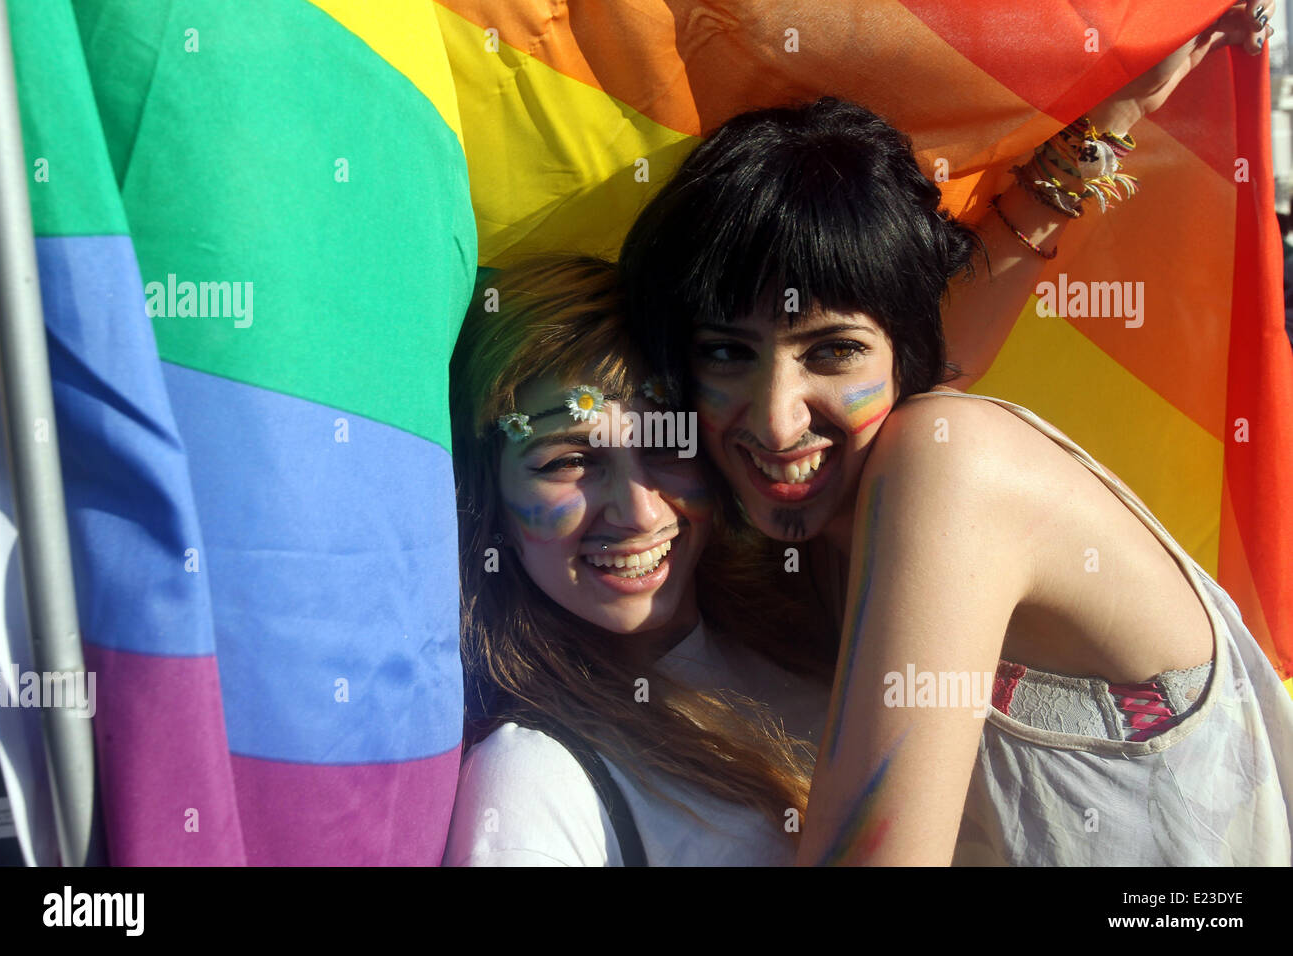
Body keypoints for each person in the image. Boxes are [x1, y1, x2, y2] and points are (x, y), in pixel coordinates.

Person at [617, 8, 1293, 865]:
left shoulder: (945, 462)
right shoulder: (873, 464)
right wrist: (1110, 121)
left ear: (902, 359)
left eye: (832, 350)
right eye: (725, 352)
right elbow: (940, 347)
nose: (779, 417)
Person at [443, 255, 835, 866]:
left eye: (666, 446)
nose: (640, 513)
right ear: (487, 498)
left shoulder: (822, 610)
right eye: (568, 462)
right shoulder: (531, 785)